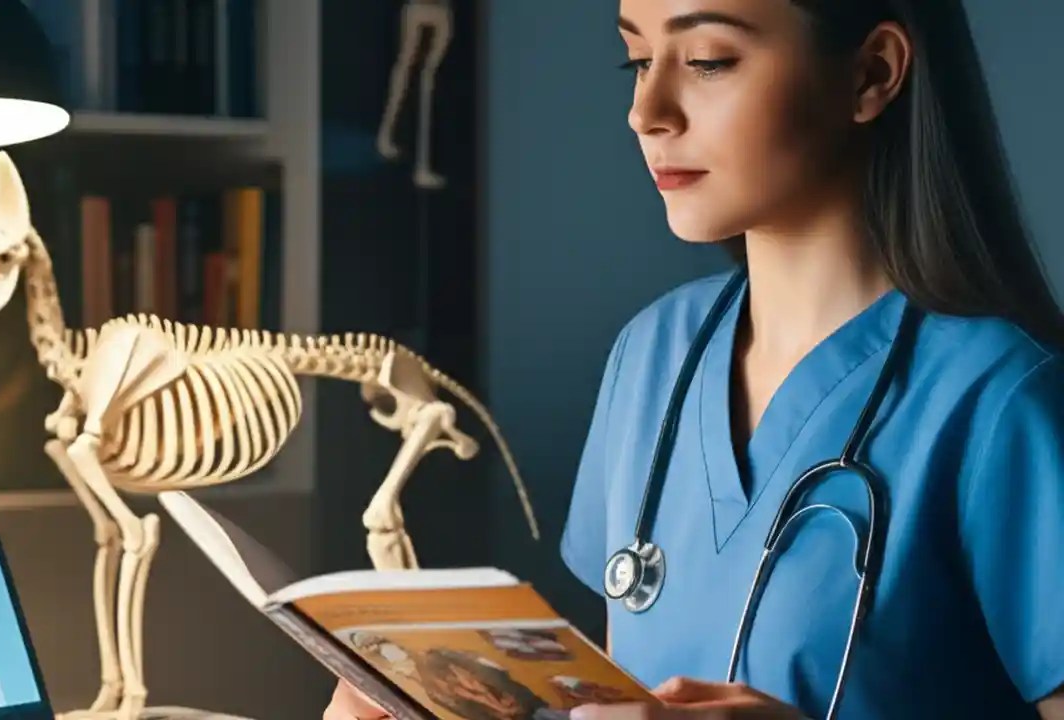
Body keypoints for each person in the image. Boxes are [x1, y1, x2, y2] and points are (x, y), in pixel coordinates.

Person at [325, 0, 1064, 718]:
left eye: (709, 61)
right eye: (638, 60)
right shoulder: (651, 356)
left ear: (871, 74)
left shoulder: (999, 400)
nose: (647, 111)